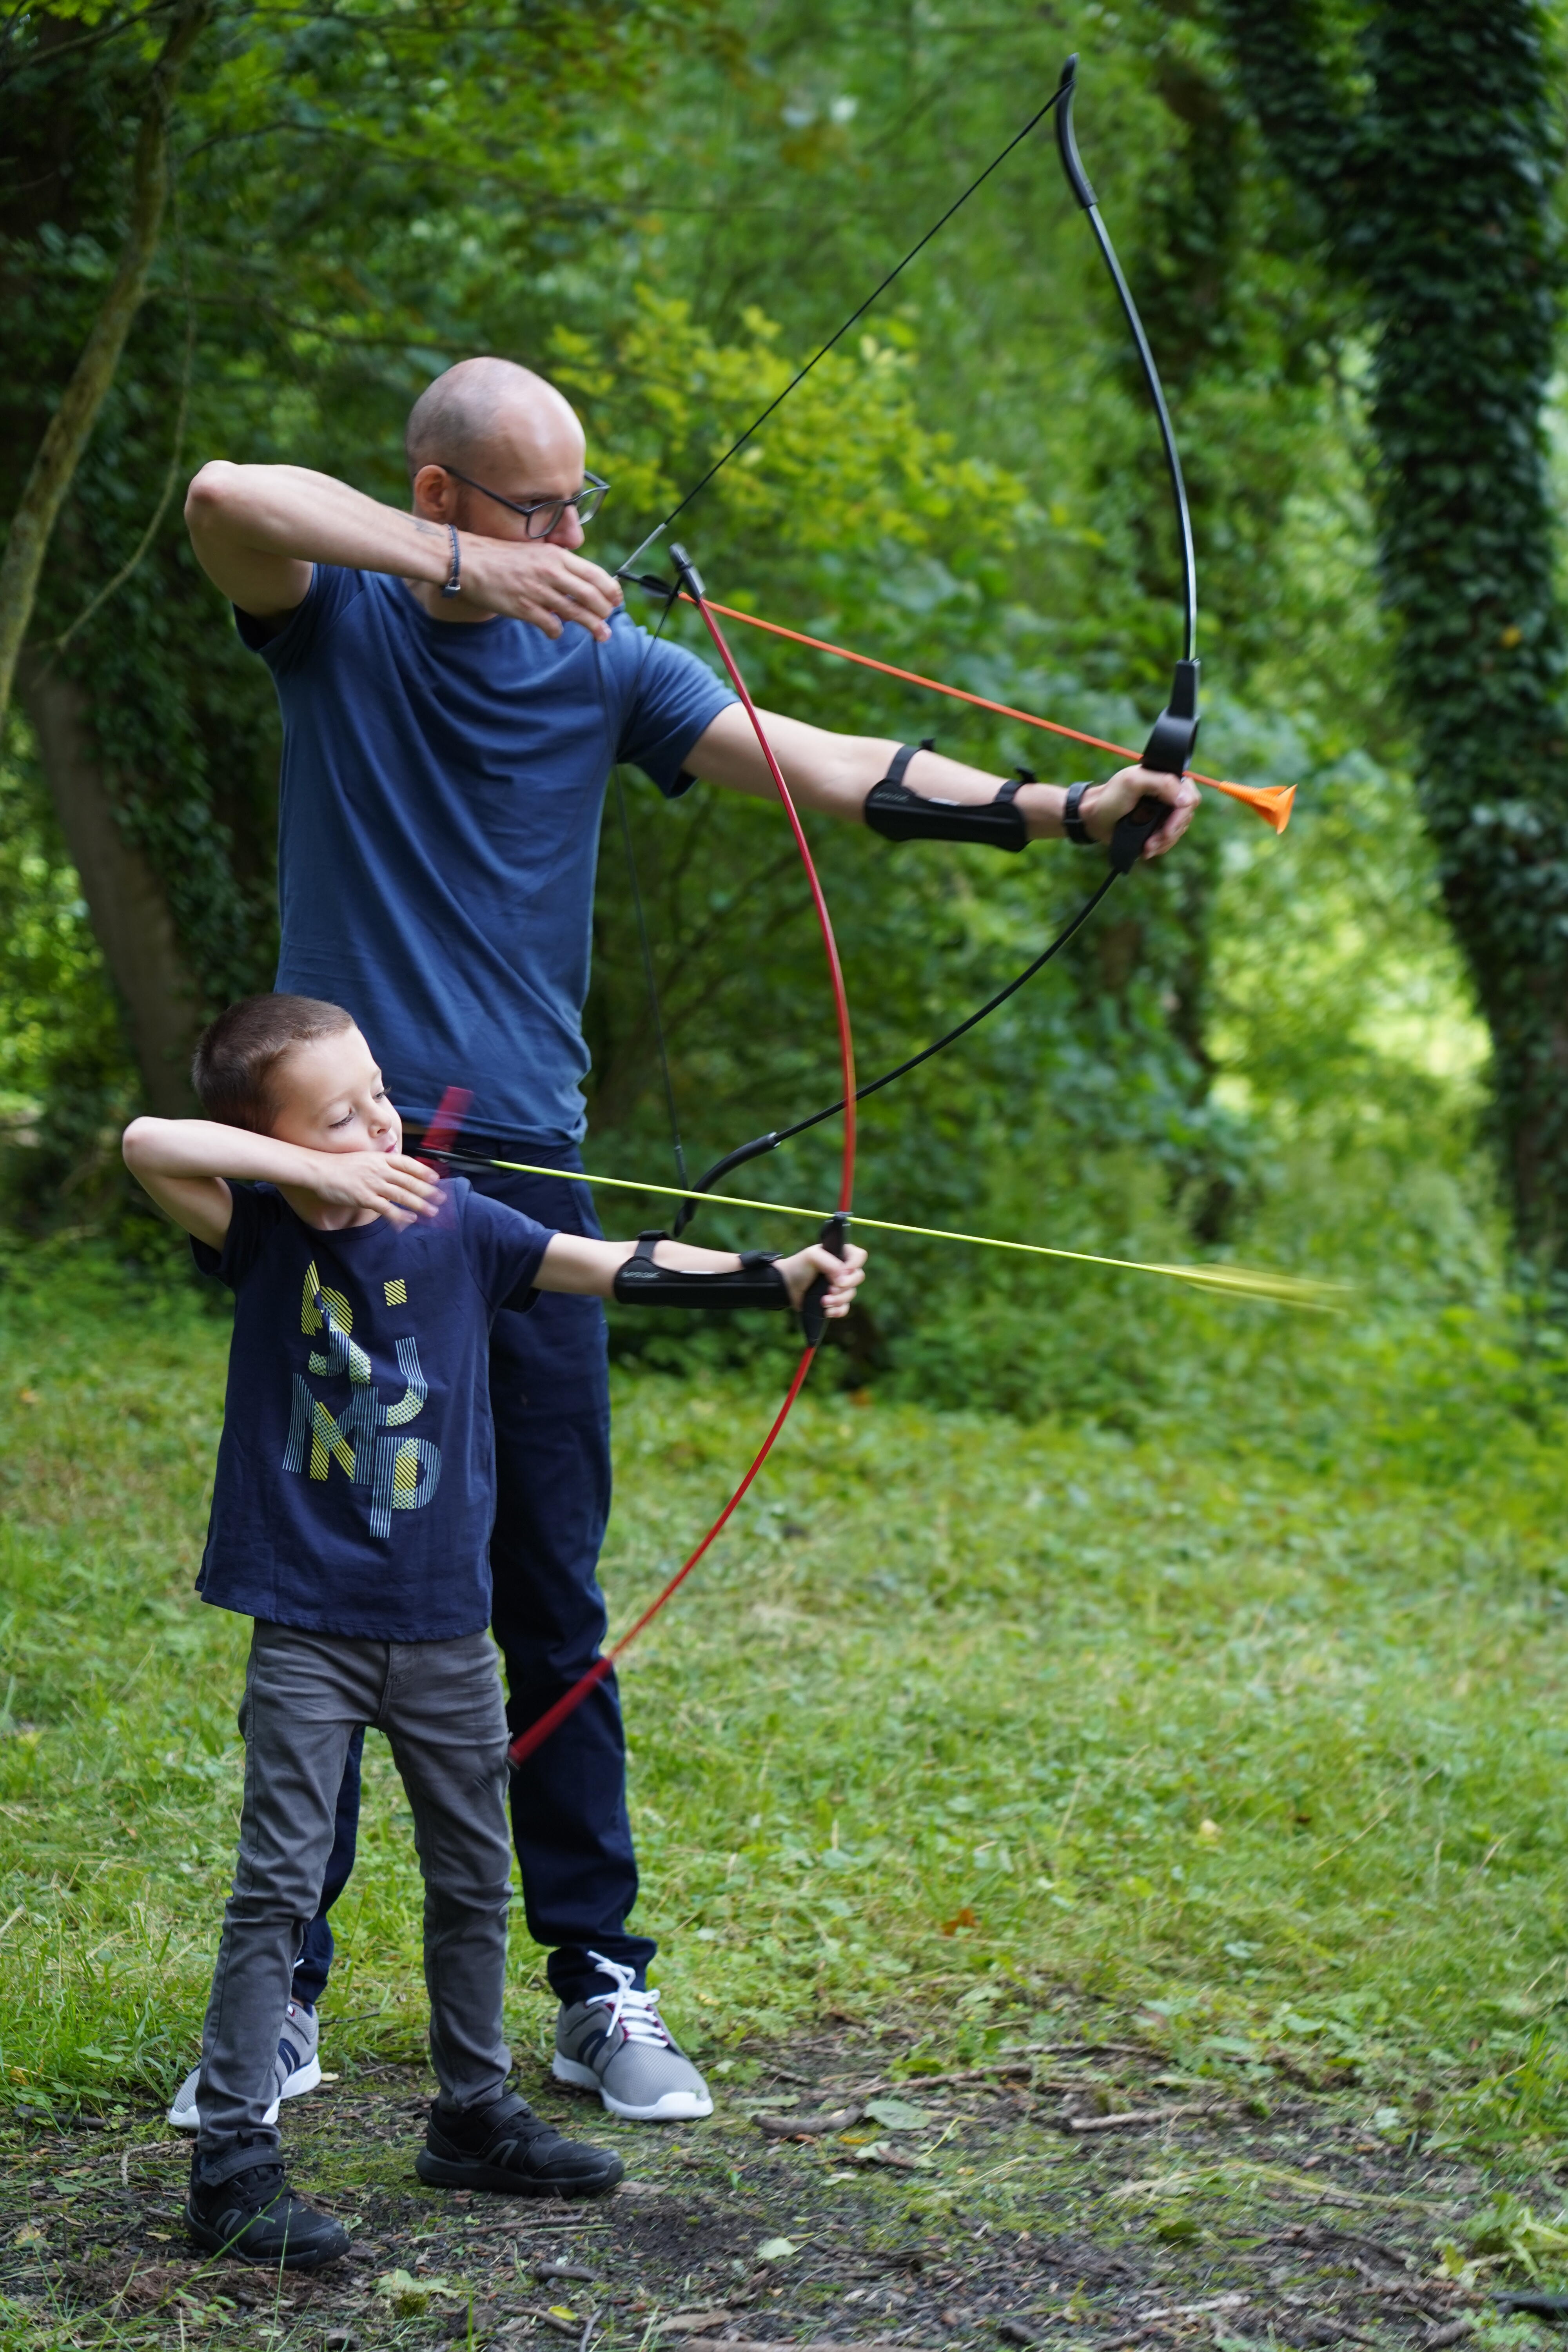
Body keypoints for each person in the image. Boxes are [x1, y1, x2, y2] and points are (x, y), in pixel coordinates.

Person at [180, 357, 1198, 2127]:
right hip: (346, 1175)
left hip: (531, 1170)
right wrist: (461, 579)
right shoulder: (341, 616)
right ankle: (287, 1997)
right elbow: (220, 496)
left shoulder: (605, 665)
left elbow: (815, 764)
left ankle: (594, 1980)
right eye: (538, 510)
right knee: (347, 1579)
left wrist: (1064, 809)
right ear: (438, 498)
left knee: (549, 1589)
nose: (578, 537)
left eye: (581, 502)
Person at [123, 993, 864, 2268]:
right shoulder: (253, 1229)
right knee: (279, 1888)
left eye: (378, 1092)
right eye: (340, 1112)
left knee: (473, 1874)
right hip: (307, 1625)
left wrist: (775, 1277)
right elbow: (148, 1141)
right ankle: (232, 2162)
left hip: (446, 1628)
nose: (381, 1119)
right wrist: (308, 1172)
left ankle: (473, 2116)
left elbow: (614, 1263)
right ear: (277, 1141)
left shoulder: (460, 1224)